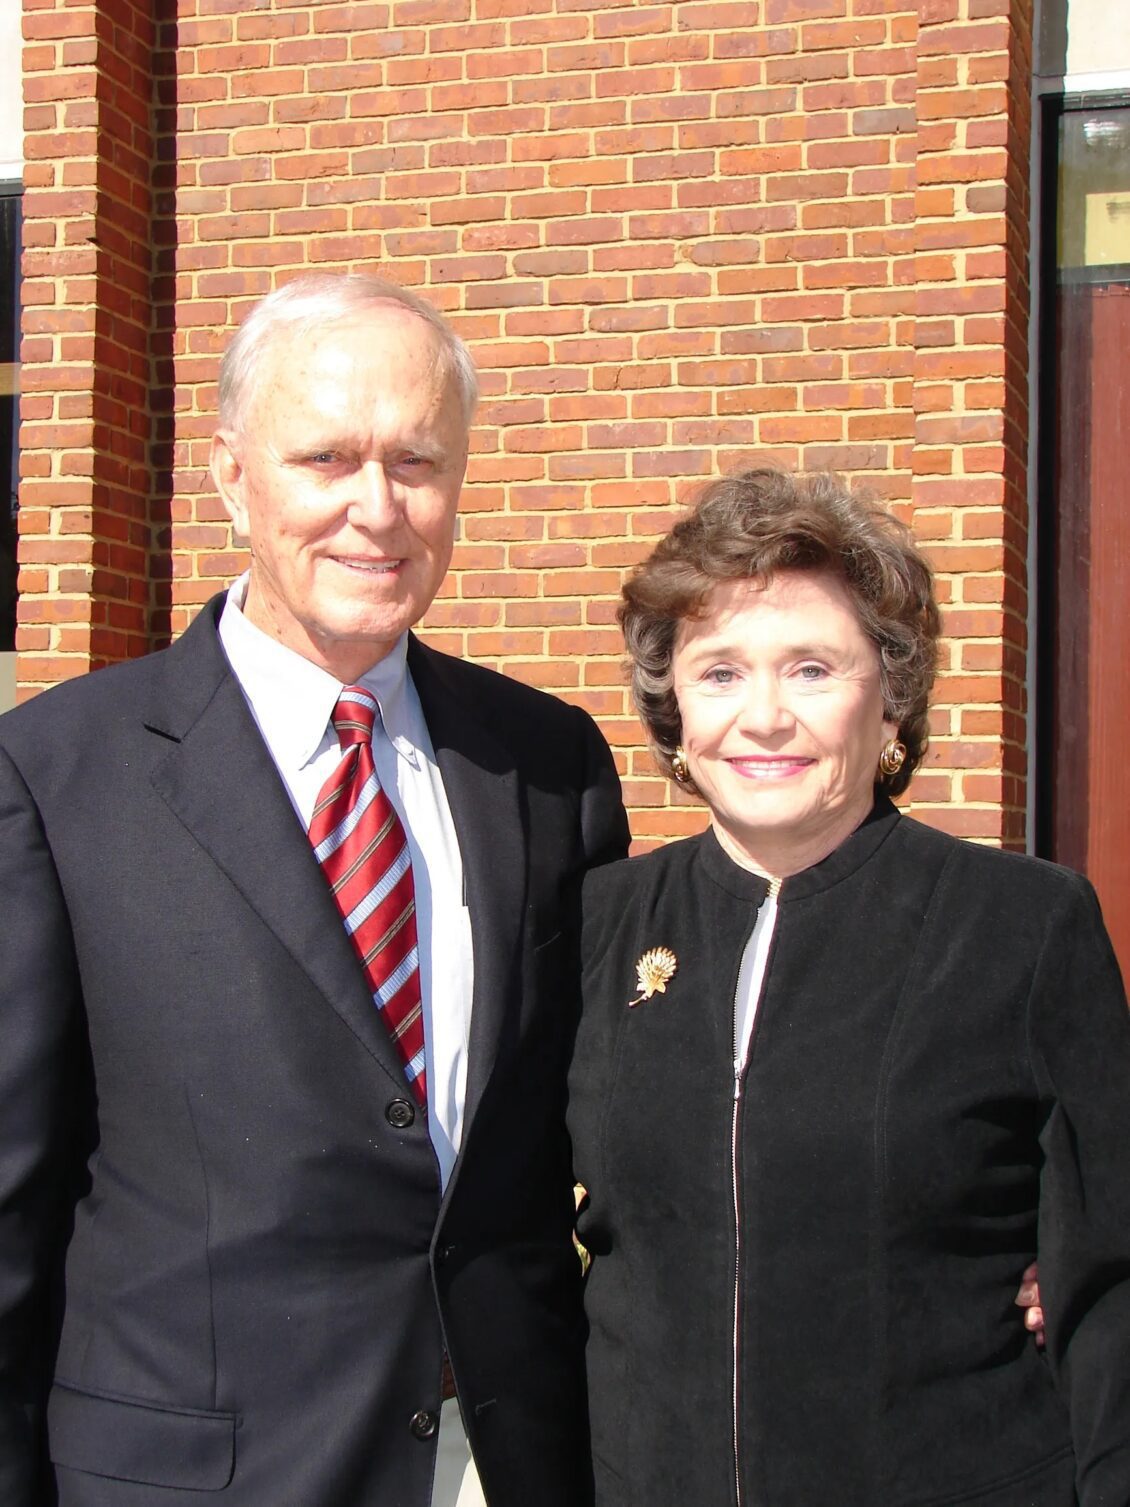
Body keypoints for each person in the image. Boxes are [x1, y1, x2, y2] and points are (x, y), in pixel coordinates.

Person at [0, 273, 629, 1506]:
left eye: (418, 461)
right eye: (327, 457)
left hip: (498, 1461)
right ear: (233, 477)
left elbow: (617, 1110)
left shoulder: (546, 763)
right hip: (194, 1475)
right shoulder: (58, 774)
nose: (376, 509)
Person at [568, 469, 1130, 1507]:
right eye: (721, 671)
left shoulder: (1020, 926)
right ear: (675, 707)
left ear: (890, 697)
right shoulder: (598, 926)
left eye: (812, 668)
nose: (764, 716)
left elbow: (1107, 1284)